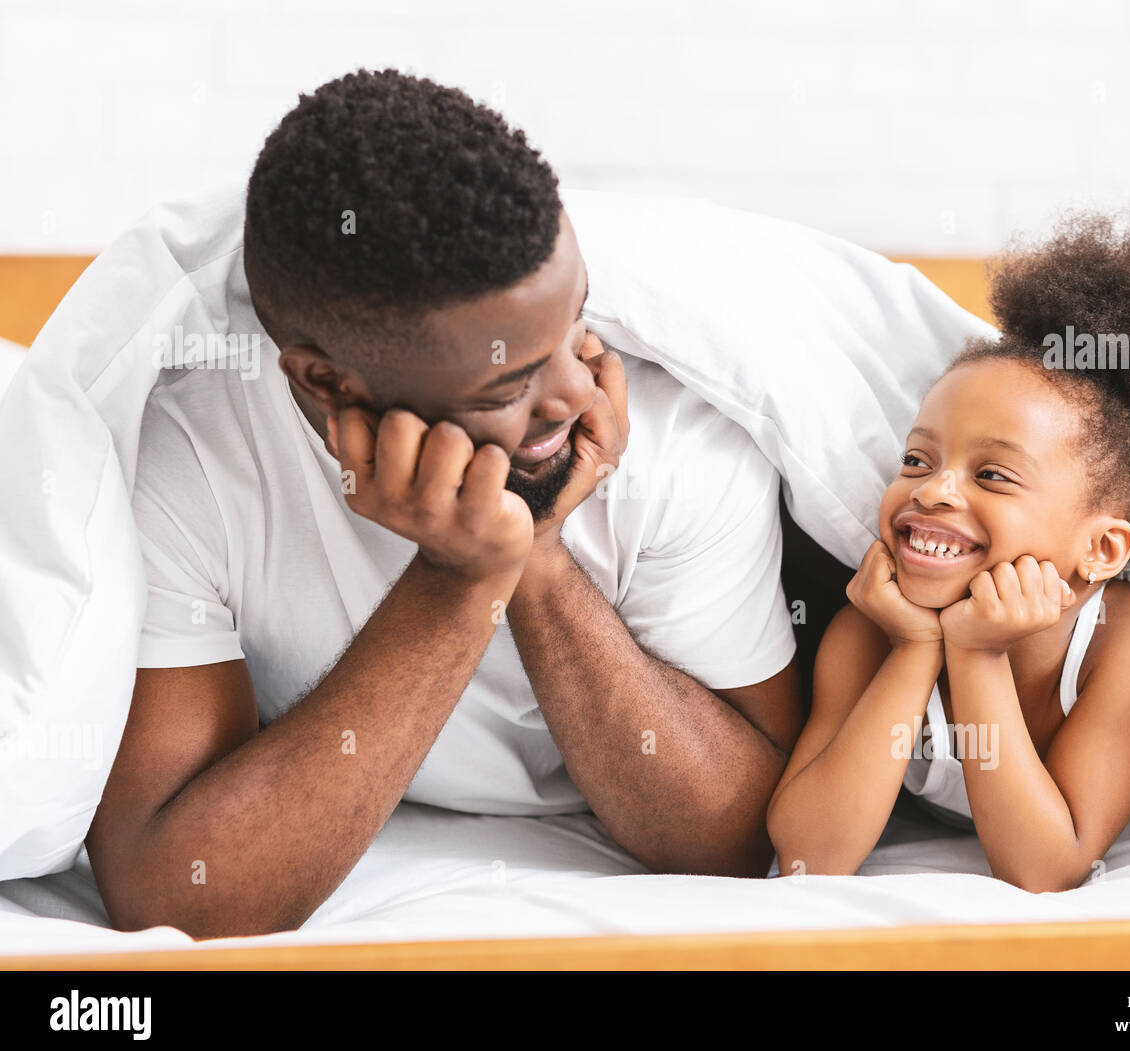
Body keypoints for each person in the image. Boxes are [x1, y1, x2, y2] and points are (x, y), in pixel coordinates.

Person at [84, 69, 800, 939]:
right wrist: (459, 579)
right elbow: (177, 894)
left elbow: (739, 841)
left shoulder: (681, 423)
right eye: (511, 380)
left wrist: (533, 554)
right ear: (324, 381)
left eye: (574, 324)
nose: (578, 393)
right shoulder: (190, 451)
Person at [766, 205, 1130, 890]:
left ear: (1100, 550)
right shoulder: (873, 627)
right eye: (916, 460)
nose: (933, 491)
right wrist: (917, 650)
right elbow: (809, 858)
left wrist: (976, 654)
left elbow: (1048, 867)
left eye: (993, 475)